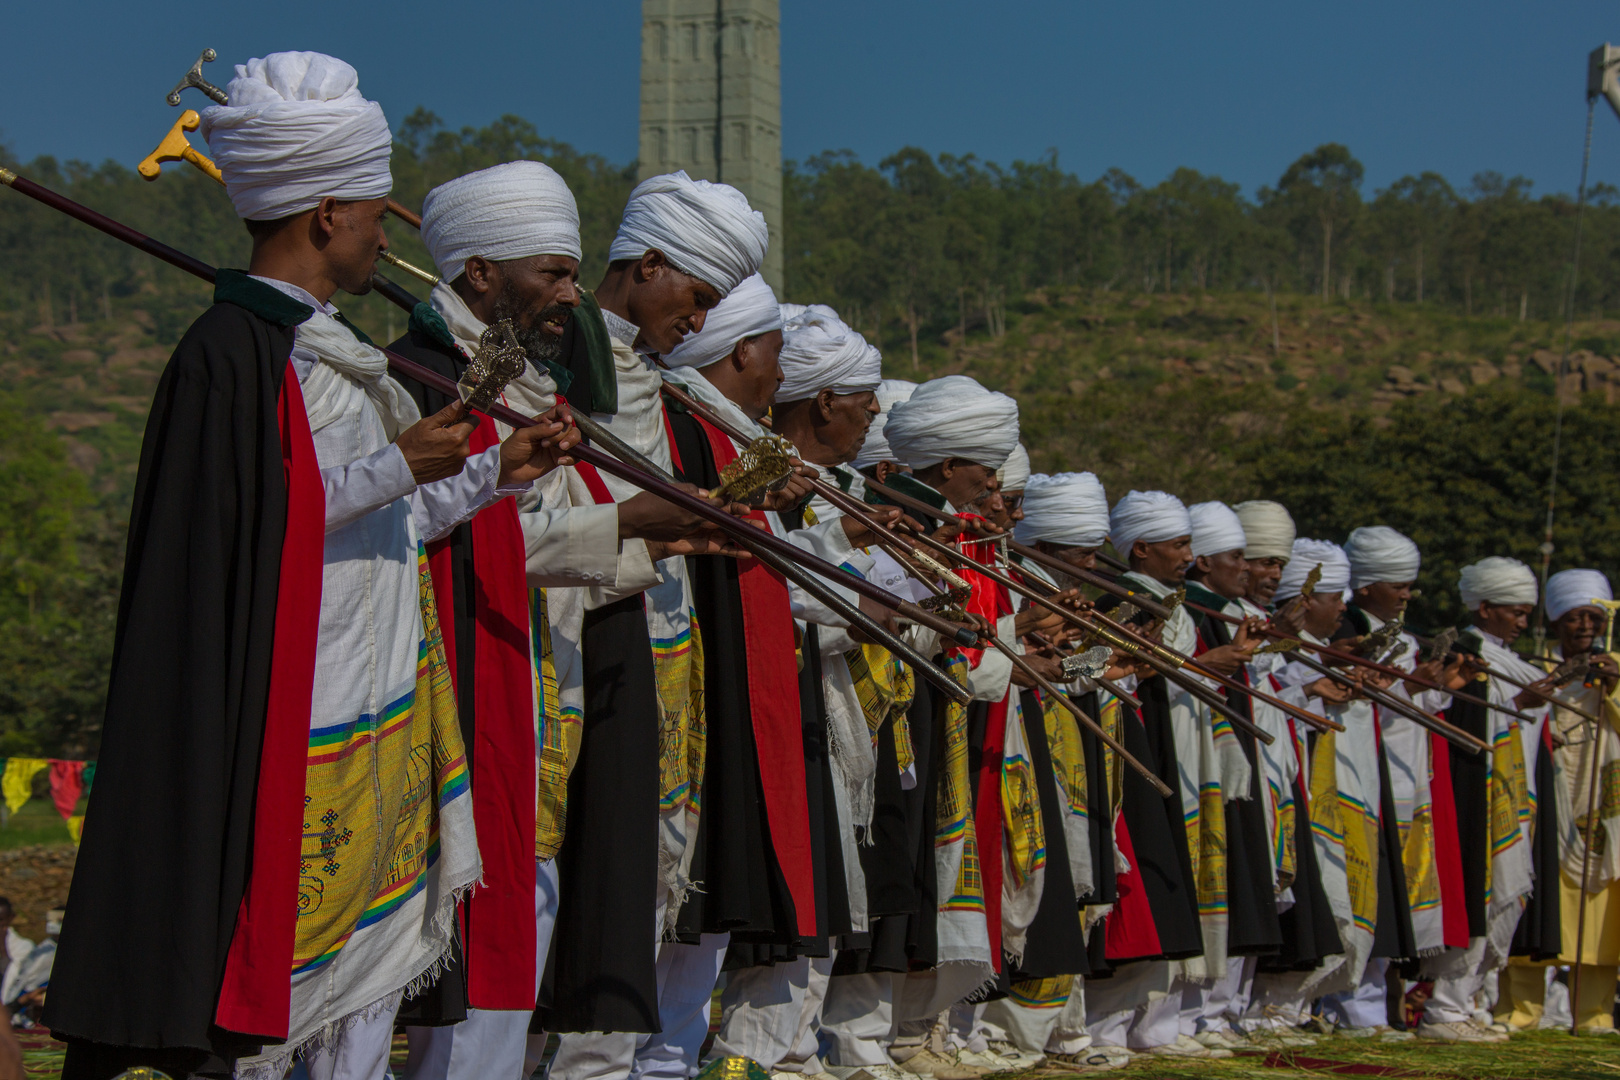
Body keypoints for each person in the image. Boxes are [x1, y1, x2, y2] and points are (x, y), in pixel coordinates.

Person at [44, 52, 577, 1080]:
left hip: (379, 685)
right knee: (282, 956)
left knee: (367, 963)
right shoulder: (235, 351)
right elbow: (234, 529)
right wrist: (391, 466)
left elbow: (388, 525)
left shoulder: (332, 351)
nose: (389, 232)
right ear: (328, 212)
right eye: (378, 210)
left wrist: (490, 475)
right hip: (292, 703)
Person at [386, 160, 712, 1080]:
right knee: (465, 908)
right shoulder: (417, 375)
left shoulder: (532, 382)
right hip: (453, 683)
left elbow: (534, 527)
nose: (574, 295)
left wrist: (650, 533)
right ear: (481, 274)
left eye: (572, 273)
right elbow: (463, 531)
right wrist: (629, 523)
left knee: (529, 896)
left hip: (534, 675)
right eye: (555, 275)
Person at [540, 170, 770, 1080]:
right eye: (698, 296)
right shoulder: (562, 357)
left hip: (648, 640)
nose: (700, 319)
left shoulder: (647, 373)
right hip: (573, 642)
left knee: (641, 870)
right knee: (574, 872)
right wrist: (643, 528)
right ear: (650, 262)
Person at [1083, 491, 1209, 1059]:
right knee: (1135, 889)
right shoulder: (1120, 600)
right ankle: (1105, 1027)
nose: (1189, 554)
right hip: (1131, 750)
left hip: (1173, 748)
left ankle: (1151, 1024)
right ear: (1142, 548)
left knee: (1166, 886)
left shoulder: (1175, 603)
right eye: (1179, 543)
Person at [1420, 557, 1552, 1043]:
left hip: (1513, 796)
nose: (1522, 622)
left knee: (1504, 898)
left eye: (1526, 613)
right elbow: (1464, 721)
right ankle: (1445, 1008)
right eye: (1515, 612)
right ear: (1485, 606)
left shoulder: (1512, 662)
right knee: (1479, 889)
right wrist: (1520, 705)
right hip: (1474, 791)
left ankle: (1470, 1001)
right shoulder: (1465, 653)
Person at [1495, 568, 1620, 1033]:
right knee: (1537, 899)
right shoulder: (1534, 667)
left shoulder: (1616, 668)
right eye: (1574, 617)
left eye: (1593, 617)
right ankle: (1520, 1011)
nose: (1585, 627)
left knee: (1602, 914)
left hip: (1601, 807)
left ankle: (1594, 1014)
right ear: (1556, 622)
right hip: (1543, 802)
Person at [1180, 503, 1281, 1048]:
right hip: (1202, 758)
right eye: (1236, 557)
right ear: (1202, 563)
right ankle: (1194, 1013)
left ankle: (1219, 1011)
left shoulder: (1226, 611)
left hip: (1238, 759)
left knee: (1241, 874)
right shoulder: (1196, 611)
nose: (1245, 569)